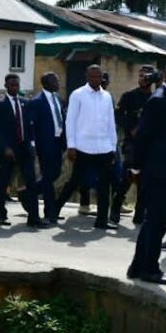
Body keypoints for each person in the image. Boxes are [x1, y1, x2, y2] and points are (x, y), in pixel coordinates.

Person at [127, 61, 166, 286]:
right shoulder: (159, 100)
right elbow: (142, 136)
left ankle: (138, 266)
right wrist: (136, 168)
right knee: (157, 222)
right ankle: (151, 269)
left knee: (152, 220)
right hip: (158, 172)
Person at [54, 65, 117, 230]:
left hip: (103, 147)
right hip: (83, 147)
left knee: (104, 186)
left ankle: (102, 221)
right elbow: (71, 121)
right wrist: (71, 145)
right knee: (74, 181)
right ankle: (53, 211)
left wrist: (113, 146)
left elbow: (111, 123)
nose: (96, 79)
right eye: (93, 76)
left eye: (99, 76)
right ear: (87, 76)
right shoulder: (78, 95)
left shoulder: (107, 96)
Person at [0, 73, 44, 228]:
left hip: (25, 148)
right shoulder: (0, 105)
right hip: (9, 150)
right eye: (12, 85)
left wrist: (32, 145)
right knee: (4, 182)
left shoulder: (25, 103)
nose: (15, 87)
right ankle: (1, 215)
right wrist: (4, 147)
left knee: (31, 183)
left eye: (17, 84)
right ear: (6, 86)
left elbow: (30, 127)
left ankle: (34, 217)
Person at [110, 66, 157, 224]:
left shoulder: (155, 97)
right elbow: (118, 115)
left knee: (144, 182)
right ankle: (115, 209)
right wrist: (130, 129)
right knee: (127, 178)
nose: (143, 78)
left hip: (148, 145)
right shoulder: (129, 96)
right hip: (132, 144)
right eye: (141, 75)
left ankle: (139, 214)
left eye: (146, 76)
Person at [25, 72, 66, 223]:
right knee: (48, 177)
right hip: (45, 144)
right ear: (46, 83)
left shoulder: (58, 98)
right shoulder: (37, 102)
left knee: (55, 174)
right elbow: (31, 125)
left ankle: (29, 192)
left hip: (58, 142)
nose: (58, 82)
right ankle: (50, 212)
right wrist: (33, 144)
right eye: (55, 80)